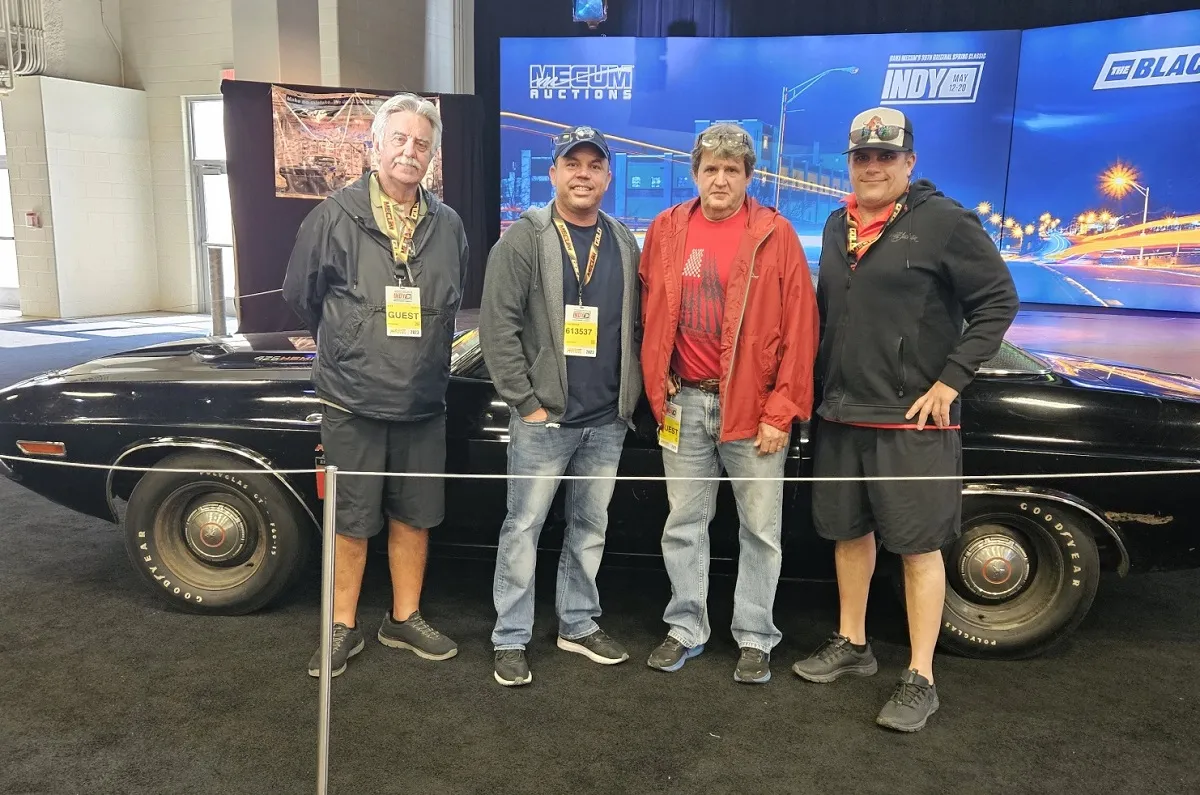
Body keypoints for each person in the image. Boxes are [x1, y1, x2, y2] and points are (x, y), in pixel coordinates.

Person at [791, 107, 1018, 731]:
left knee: (918, 549)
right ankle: (853, 643)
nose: (873, 166)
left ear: (909, 162)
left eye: (885, 157)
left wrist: (951, 379)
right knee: (848, 535)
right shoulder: (839, 225)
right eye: (862, 156)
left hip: (909, 421)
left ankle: (921, 674)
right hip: (840, 414)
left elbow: (999, 301)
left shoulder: (946, 222)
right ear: (851, 162)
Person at [283, 93, 470, 678]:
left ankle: (403, 617)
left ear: (432, 157)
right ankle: (343, 627)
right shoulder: (334, 216)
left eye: (422, 145)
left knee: (414, 516)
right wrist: (351, 343)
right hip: (352, 401)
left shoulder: (449, 226)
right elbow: (301, 296)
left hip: (422, 402)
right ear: (375, 145)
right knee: (352, 520)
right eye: (400, 140)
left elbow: (452, 300)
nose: (410, 153)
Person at [638, 123, 819, 684]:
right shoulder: (666, 229)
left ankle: (756, 636)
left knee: (760, 530)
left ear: (748, 177)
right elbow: (649, 313)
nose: (721, 179)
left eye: (732, 170)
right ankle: (686, 627)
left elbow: (801, 329)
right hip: (685, 406)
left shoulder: (775, 234)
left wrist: (780, 410)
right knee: (684, 524)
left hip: (753, 412)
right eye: (711, 168)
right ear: (696, 173)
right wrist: (657, 376)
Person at [479, 125, 643, 687]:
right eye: (571, 164)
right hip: (544, 420)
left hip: (606, 420)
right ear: (552, 173)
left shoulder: (622, 240)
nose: (583, 174)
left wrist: (627, 401)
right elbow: (497, 328)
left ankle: (576, 623)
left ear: (608, 177)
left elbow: (635, 328)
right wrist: (526, 404)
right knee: (523, 526)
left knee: (589, 528)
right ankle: (511, 637)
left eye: (594, 165)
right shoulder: (523, 238)